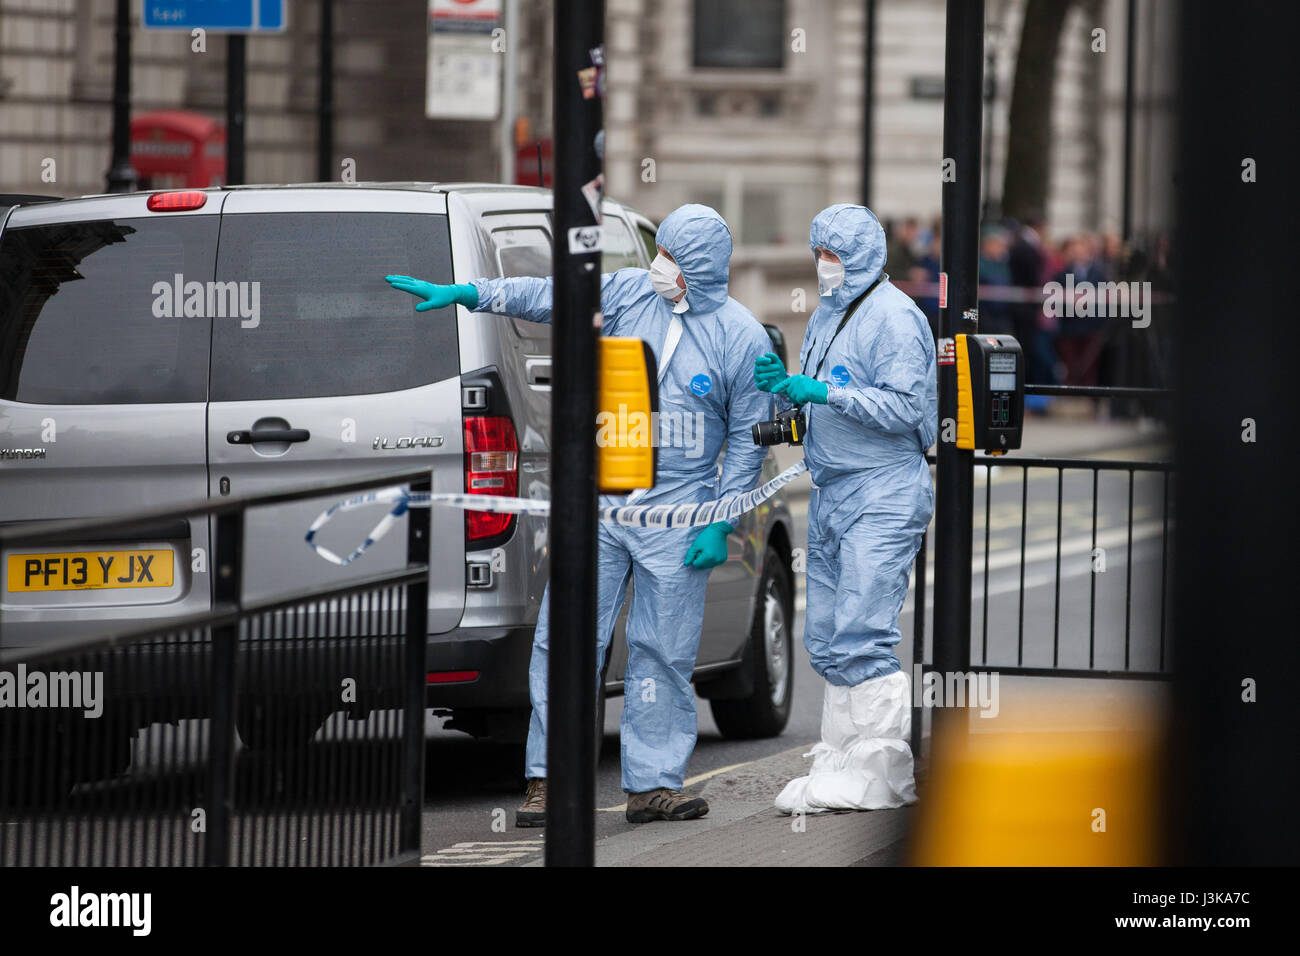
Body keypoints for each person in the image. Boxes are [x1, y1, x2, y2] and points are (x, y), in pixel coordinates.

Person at [385, 204, 772, 826]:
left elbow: (751, 438)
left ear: (698, 268)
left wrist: (719, 522)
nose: (659, 265)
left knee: (663, 652)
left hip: (679, 513)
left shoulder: (740, 336)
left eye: (671, 256)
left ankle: (652, 787)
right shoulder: (628, 295)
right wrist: (470, 293)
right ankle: (549, 781)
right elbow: (551, 295)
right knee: (565, 640)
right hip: (601, 502)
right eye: (660, 251)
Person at [752, 203, 936, 813]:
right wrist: (791, 392)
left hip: (882, 491)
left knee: (864, 630)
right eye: (818, 252)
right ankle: (840, 758)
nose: (822, 264)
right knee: (828, 636)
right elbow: (826, 403)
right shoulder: (832, 311)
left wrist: (826, 391)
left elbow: (908, 412)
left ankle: (883, 770)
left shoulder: (894, 318)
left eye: (832, 253)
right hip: (835, 490)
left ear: (860, 256)